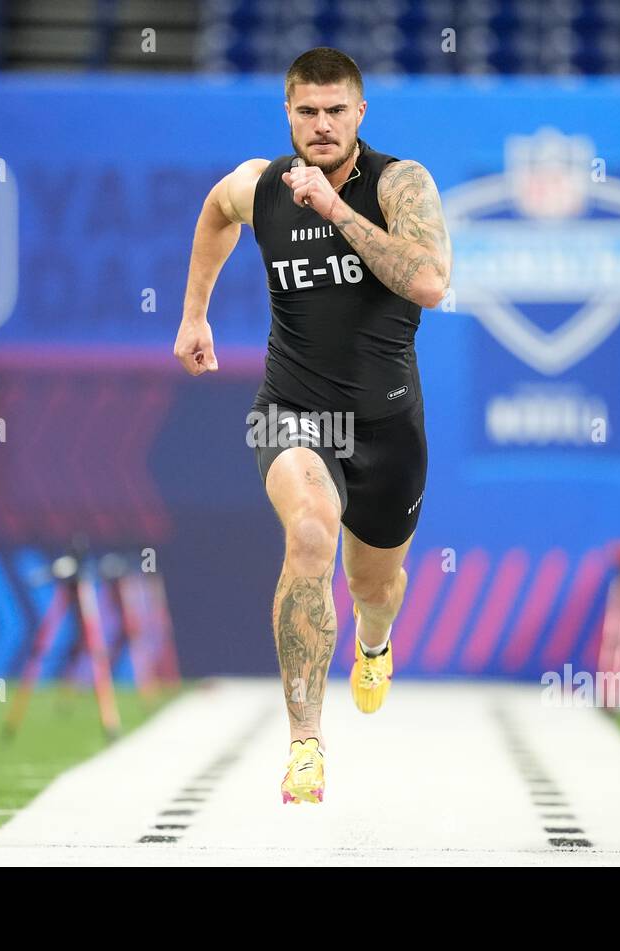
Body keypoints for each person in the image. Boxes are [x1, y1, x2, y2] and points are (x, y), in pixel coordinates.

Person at [173, 48, 451, 804]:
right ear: (288, 114)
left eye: (336, 111)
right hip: (293, 410)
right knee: (308, 534)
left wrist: (333, 209)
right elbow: (214, 211)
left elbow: (430, 281)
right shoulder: (260, 184)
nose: (321, 125)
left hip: (387, 426)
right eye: (307, 111)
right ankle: (305, 746)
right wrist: (195, 311)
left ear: (360, 113)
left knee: (375, 584)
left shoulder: (400, 183)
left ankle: (374, 644)